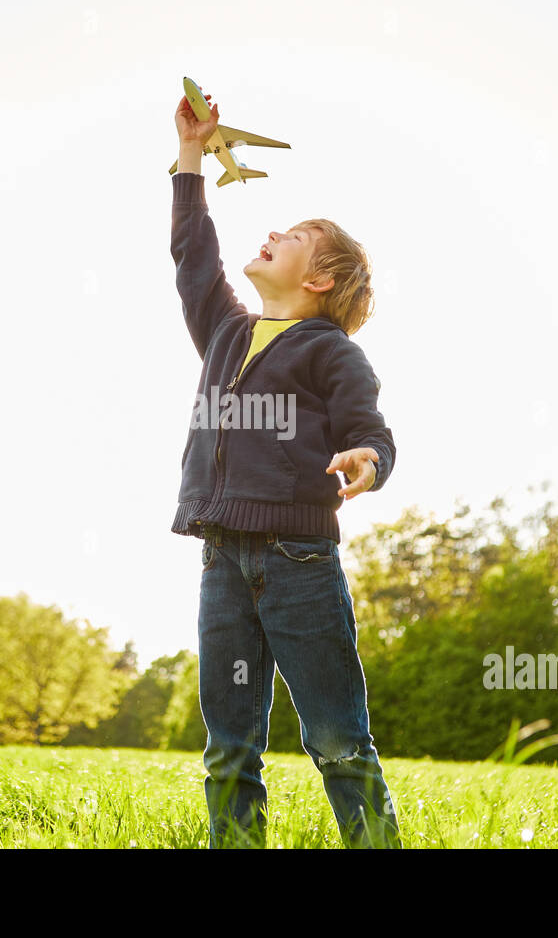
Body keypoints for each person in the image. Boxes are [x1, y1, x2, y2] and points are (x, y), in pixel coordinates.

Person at [169, 89, 401, 848]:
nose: (272, 231)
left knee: (336, 738)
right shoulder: (227, 332)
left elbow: (370, 429)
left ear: (321, 280)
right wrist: (193, 155)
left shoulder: (332, 352)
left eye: (295, 235)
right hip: (221, 558)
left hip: (299, 561)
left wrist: (368, 460)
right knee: (229, 747)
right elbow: (193, 256)